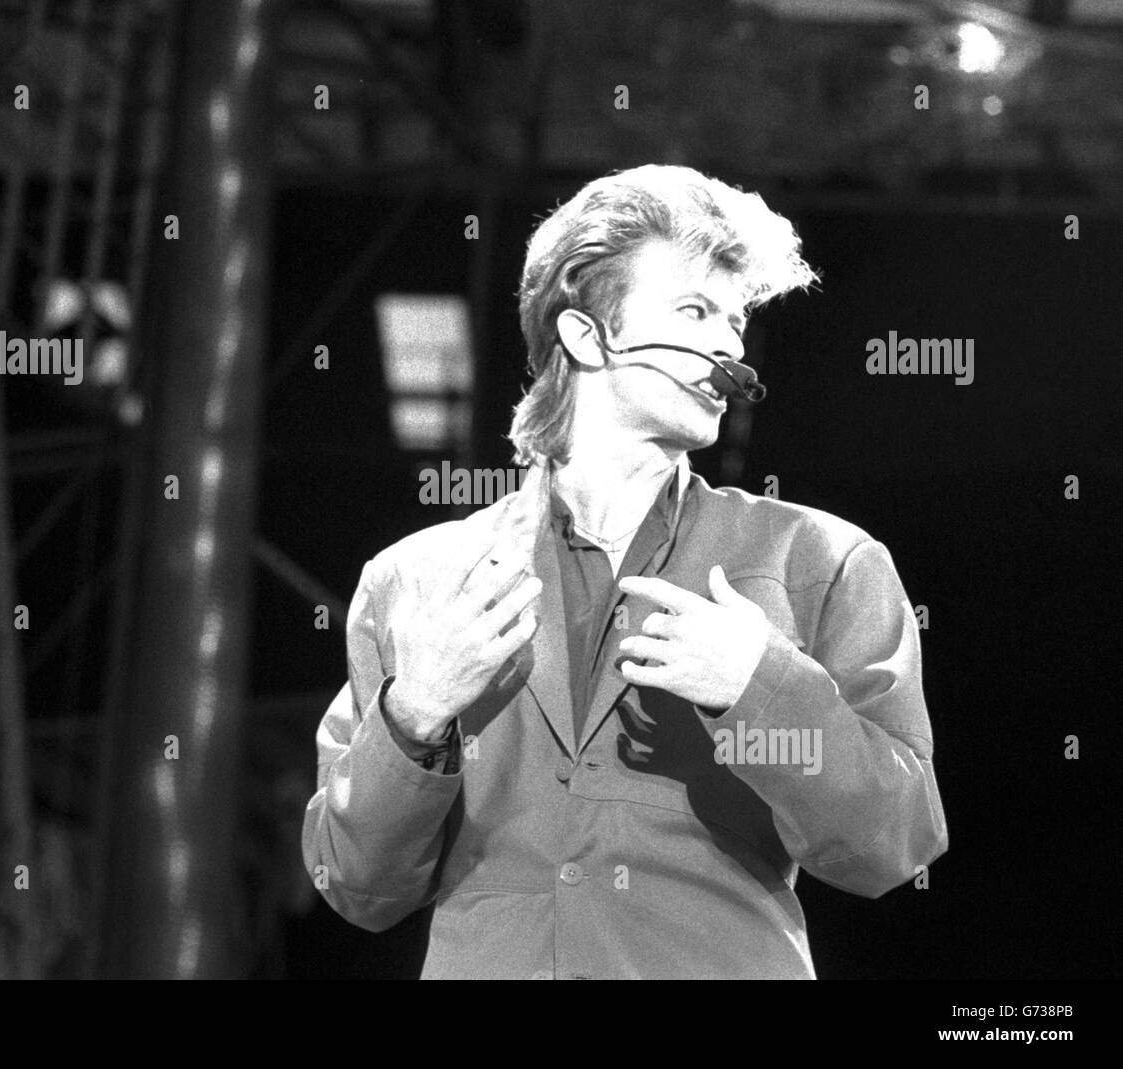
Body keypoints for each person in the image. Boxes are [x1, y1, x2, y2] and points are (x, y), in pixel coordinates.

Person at [301, 164, 948, 979]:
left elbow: (895, 842)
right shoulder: (415, 579)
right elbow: (353, 884)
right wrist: (414, 715)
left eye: (736, 318)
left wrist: (761, 684)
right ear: (584, 335)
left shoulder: (820, 559)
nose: (731, 346)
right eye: (695, 311)